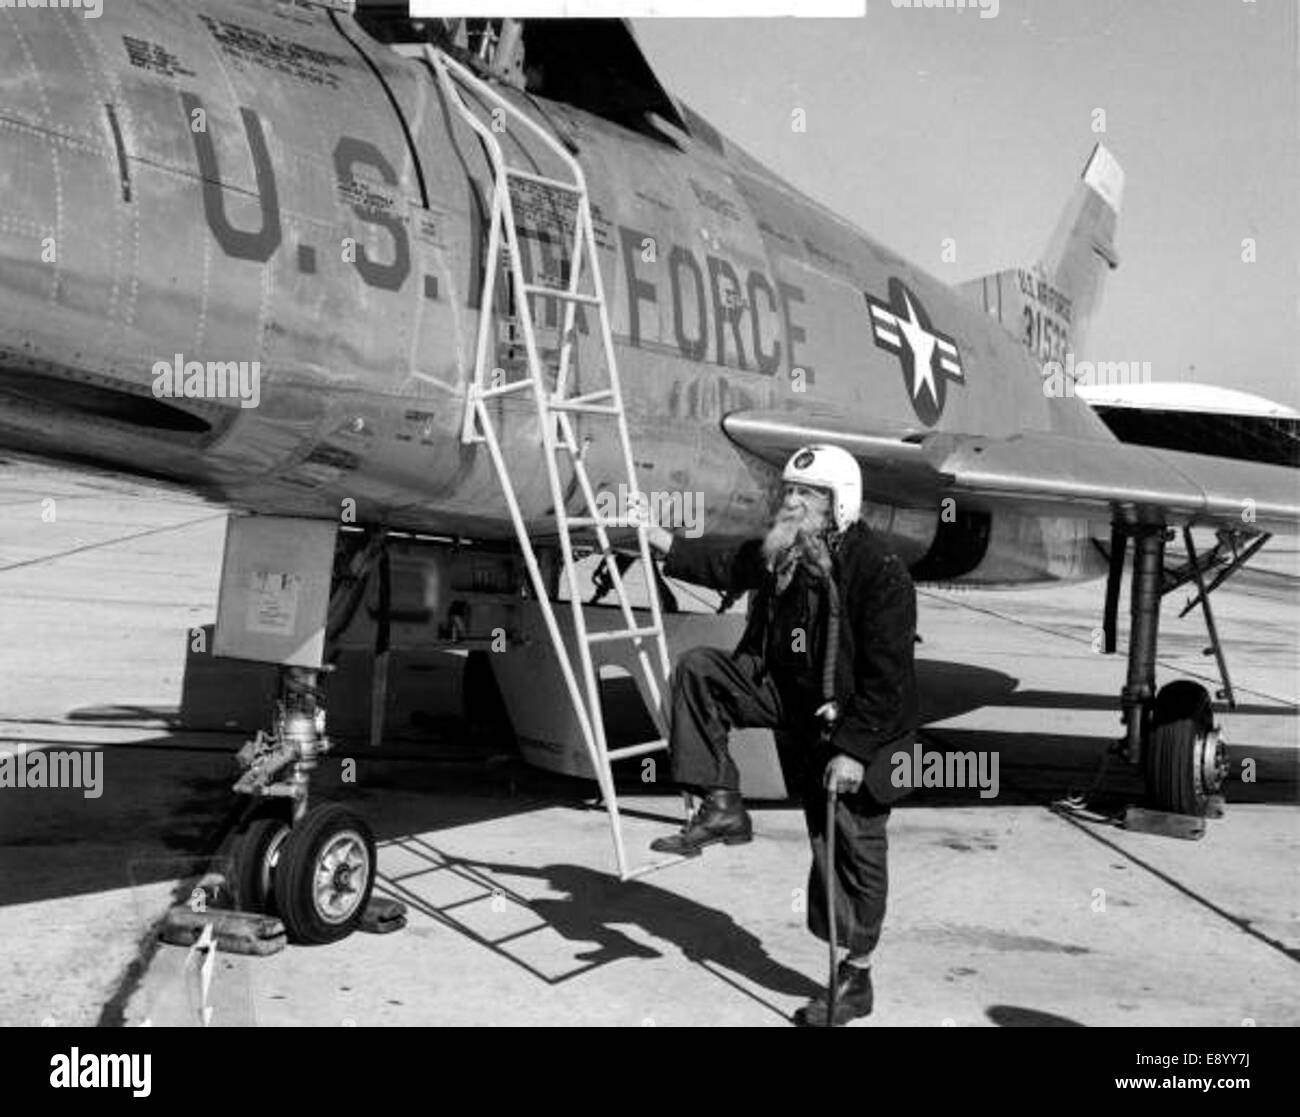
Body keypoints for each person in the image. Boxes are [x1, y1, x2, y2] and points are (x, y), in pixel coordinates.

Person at [643, 444, 918, 1026]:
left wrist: (852, 750)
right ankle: (722, 804)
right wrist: (660, 540)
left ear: (839, 503)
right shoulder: (782, 551)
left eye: (808, 494)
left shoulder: (879, 569)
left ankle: (857, 973)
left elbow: (889, 676)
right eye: (788, 491)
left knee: (847, 849)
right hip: (787, 700)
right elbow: (730, 565)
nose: (792, 502)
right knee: (698, 672)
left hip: (855, 732)